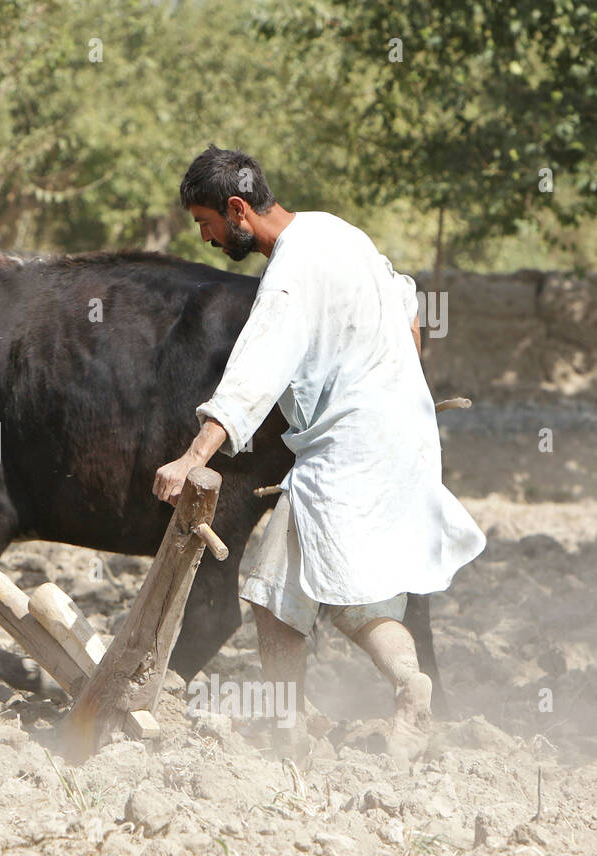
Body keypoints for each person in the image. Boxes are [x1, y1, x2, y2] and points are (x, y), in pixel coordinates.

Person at [154, 145, 485, 760]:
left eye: (204, 223)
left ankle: (287, 728)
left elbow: (254, 372)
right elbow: (408, 309)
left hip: (349, 450)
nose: (204, 240)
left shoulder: (289, 270)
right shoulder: (339, 233)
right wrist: (392, 385)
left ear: (236, 211)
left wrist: (191, 457)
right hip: (403, 436)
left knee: (271, 591)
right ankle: (411, 686)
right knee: (355, 596)